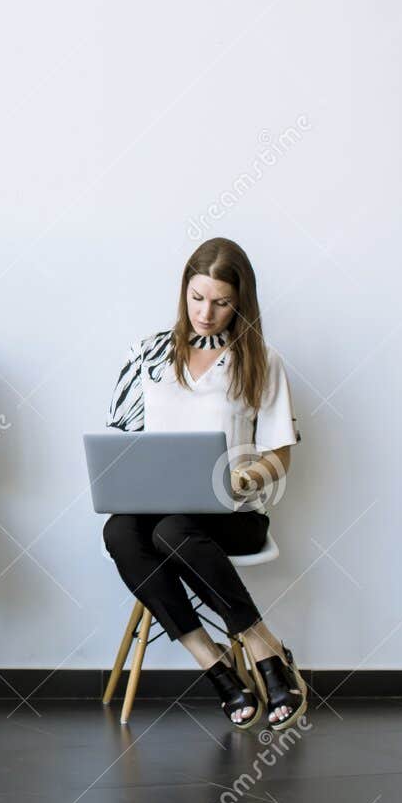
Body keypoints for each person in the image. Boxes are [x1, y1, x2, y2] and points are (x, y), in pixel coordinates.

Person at [102, 236, 307, 731]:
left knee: (171, 531)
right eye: (197, 298)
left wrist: (245, 475)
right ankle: (216, 667)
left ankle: (262, 645)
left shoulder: (260, 361)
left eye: (221, 303)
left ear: (241, 304)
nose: (206, 313)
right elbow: (120, 444)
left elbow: (279, 457)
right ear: (183, 292)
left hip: (234, 517)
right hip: (162, 512)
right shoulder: (148, 355)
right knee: (120, 530)